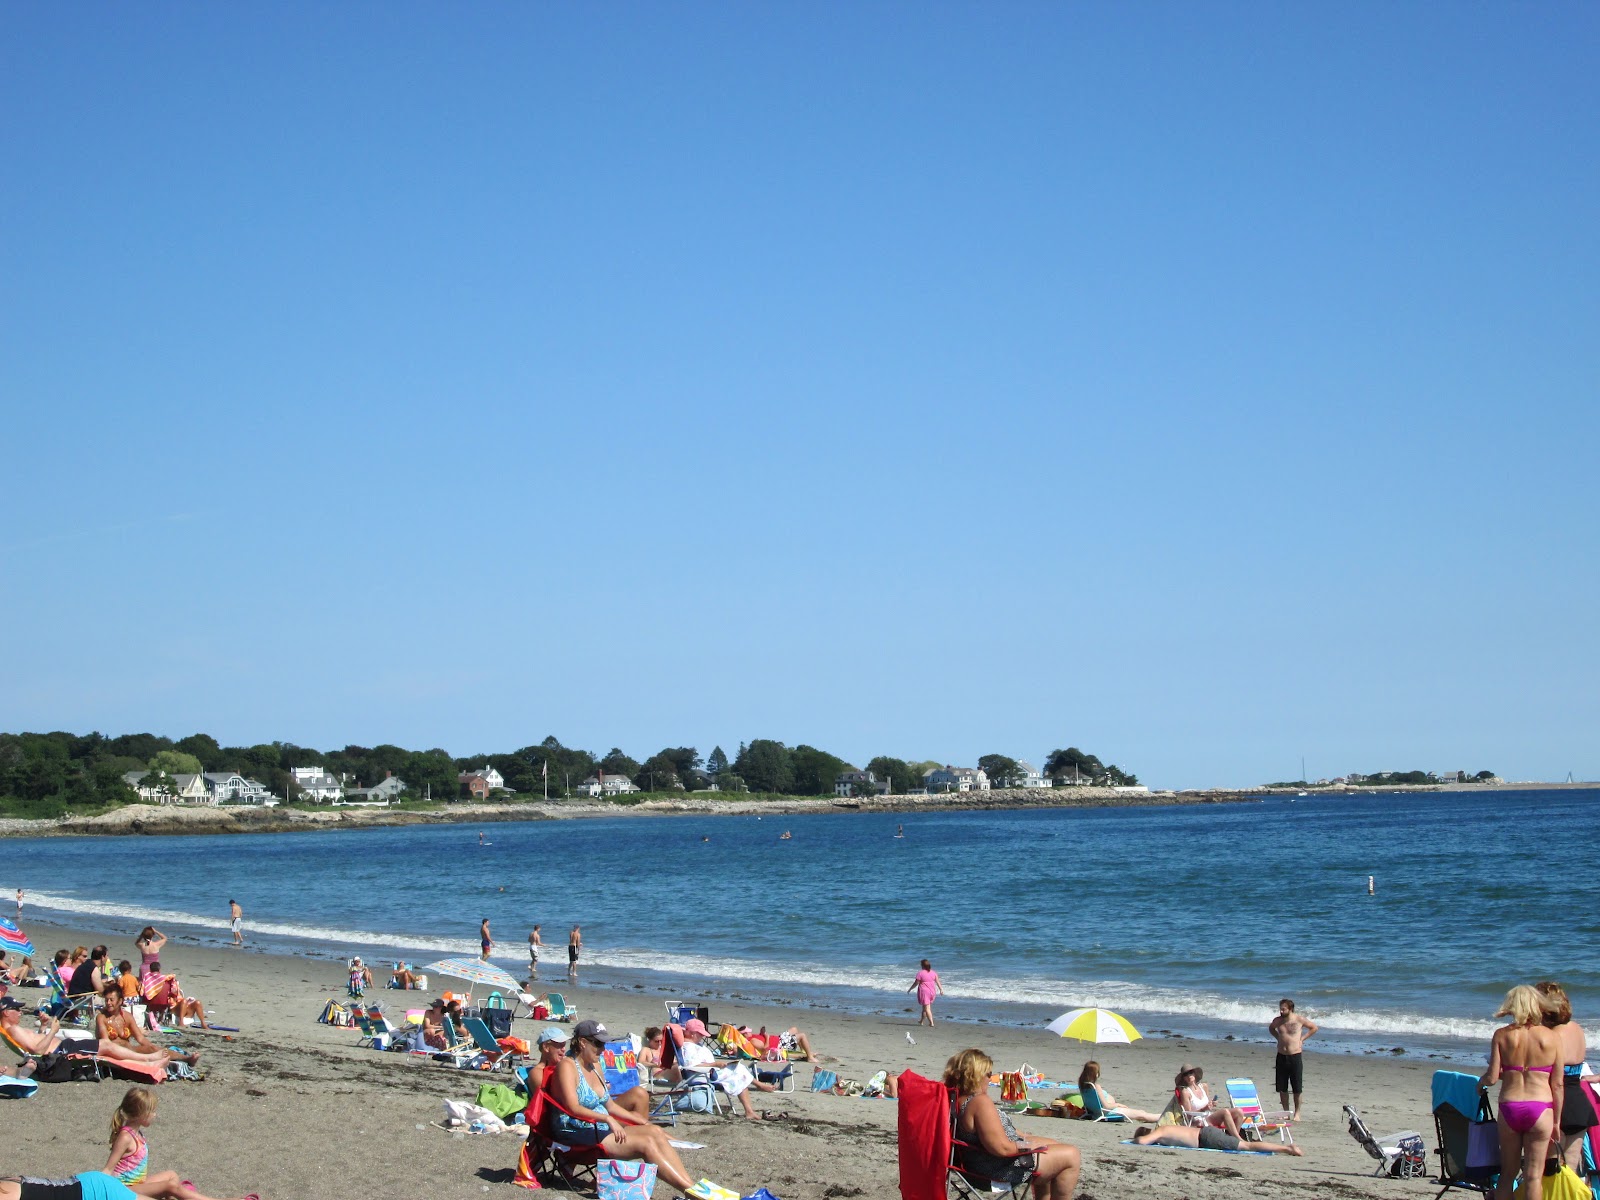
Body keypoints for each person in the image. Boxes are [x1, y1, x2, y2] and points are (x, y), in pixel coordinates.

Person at [546, 1019, 726, 1197]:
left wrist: (638, 1120)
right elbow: (573, 1107)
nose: (603, 1049)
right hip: (576, 1132)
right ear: (583, 1042)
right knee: (646, 1144)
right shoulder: (567, 1066)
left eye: (604, 1044)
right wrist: (608, 1119)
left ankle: (691, 1187)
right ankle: (690, 1192)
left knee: (654, 1131)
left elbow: (609, 1104)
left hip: (598, 1128)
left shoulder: (594, 1065)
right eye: (598, 1044)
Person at [946, 1048, 1081, 1199]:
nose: (990, 1079)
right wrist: (1026, 1146)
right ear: (975, 1075)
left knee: (1055, 1146)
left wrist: (1026, 1139)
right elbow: (1002, 1148)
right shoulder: (979, 1103)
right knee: (1072, 1155)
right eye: (988, 1074)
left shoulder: (953, 1098)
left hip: (973, 1165)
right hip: (997, 1168)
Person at [1482, 985, 1564, 1200]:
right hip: (1541, 1108)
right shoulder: (1552, 1037)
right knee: (1533, 1176)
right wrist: (1557, 1122)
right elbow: (1557, 1084)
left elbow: (1492, 1077)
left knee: (1507, 1174)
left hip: (1510, 1107)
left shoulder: (1501, 1035)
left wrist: (1480, 1083)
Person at [103, 1085, 258, 1200]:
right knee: (170, 1186)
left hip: (137, 1185)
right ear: (140, 1114)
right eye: (152, 1111)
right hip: (124, 1191)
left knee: (171, 1175)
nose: (155, 1115)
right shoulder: (125, 1137)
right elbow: (108, 1169)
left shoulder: (137, 1133)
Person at [0, 996, 196, 1073]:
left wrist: (44, 1028)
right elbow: (37, 1051)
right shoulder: (13, 1030)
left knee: (108, 1051)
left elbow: (34, 1046)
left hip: (62, 1047)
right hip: (61, 1051)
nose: (20, 1012)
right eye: (16, 1009)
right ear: (6, 1013)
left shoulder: (12, 1030)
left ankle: (148, 1062)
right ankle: (149, 1060)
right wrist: (53, 1031)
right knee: (106, 1046)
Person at [1535, 981, 1595, 1170]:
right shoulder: (1577, 1029)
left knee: (1548, 1170)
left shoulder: (1550, 1035)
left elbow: (1543, 1074)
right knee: (1569, 1172)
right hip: (1579, 1104)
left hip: (1556, 1104)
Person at [676, 1018, 778, 1120]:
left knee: (739, 1070)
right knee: (739, 1071)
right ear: (693, 1034)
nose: (702, 1037)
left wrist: (716, 1065)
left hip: (709, 1073)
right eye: (701, 1034)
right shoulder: (688, 1048)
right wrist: (715, 1064)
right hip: (702, 1076)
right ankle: (757, 1091)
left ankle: (751, 1107)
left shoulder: (693, 1045)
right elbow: (692, 1066)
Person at [96, 986, 202, 1071]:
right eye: (106, 1000)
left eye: (111, 1000)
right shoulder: (102, 1018)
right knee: (150, 1053)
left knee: (153, 1049)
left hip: (130, 1050)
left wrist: (151, 1047)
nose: (108, 1003)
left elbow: (140, 1038)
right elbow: (106, 1043)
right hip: (113, 1053)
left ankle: (186, 1059)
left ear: (120, 1001)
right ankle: (154, 1061)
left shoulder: (127, 1017)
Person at [1268, 998, 1318, 1120]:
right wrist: (1278, 1037)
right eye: (1280, 1009)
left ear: (1290, 1009)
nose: (1281, 1011)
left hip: (1295, 1056)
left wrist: (1302, 1039)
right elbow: (1271, 1028)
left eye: (1283, 1009)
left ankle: (1297, 1113)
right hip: (1281, 1056)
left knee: (1297, 1088)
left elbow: (1314, 1028)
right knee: (1282, 1088)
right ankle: (1286, 1113)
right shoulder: (1277, 1021)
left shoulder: (1299, 1020)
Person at [1130, 1123, 1304, 1156]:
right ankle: (1286, 1148)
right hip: (1206, 1133)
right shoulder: (1166, 1127)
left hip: (1206, 1138)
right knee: (1247, 1145)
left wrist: (1134, 1140)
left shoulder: (1160, 1131)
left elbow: (1143, 1142)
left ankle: (1287, 1149)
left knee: (1248, 1146)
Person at [1078, 1061, 1163, 1122]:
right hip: (1109, 1112)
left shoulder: (1082, 1084)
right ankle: (1163, 1118)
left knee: (1140, 1113)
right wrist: (1118, 1104)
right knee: (1142, 1114)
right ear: (1095, 1074)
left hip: (1096, 1113)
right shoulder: (1096, 1087)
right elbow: (1106, 1106)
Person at [1175, 1065, 1243, 1136]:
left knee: (1239, 1111)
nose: (1189, 1076)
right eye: (1186, 1074)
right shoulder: (1185, 1092)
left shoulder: (1204, 1086)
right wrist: (1203, 1109)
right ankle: (1238, 1139)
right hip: (1198, 1120)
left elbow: (1208, 1104)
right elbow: (1188, 1114)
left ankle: (1234, 1138)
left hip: (1209, 1116)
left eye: (1190, 1072)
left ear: (1194, 1073)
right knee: (1224, 1112)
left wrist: (1212, 1104)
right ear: (1183, 1078)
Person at [139, 962, 208, 1029]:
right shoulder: (166, 981)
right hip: (175, 1009)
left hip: (179, 1008)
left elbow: (142, 993)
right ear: (159, 970)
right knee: (184, 1001)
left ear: (150, 970)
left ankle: (203, 1023)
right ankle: (181, 1022)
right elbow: (174, 993)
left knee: (197, 1002)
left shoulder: (147, 981)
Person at [909, 959, 944, 1027]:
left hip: (924, 992)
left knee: (927, 1008)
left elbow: (916, 983)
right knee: (924, 1008)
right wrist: (941, 989)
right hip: (932, 992)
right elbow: (937, 982)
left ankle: (931, 1023)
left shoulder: (920, 973)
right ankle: (921, 1021)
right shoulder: (933, 972)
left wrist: (910, 989)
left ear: (922, 965)